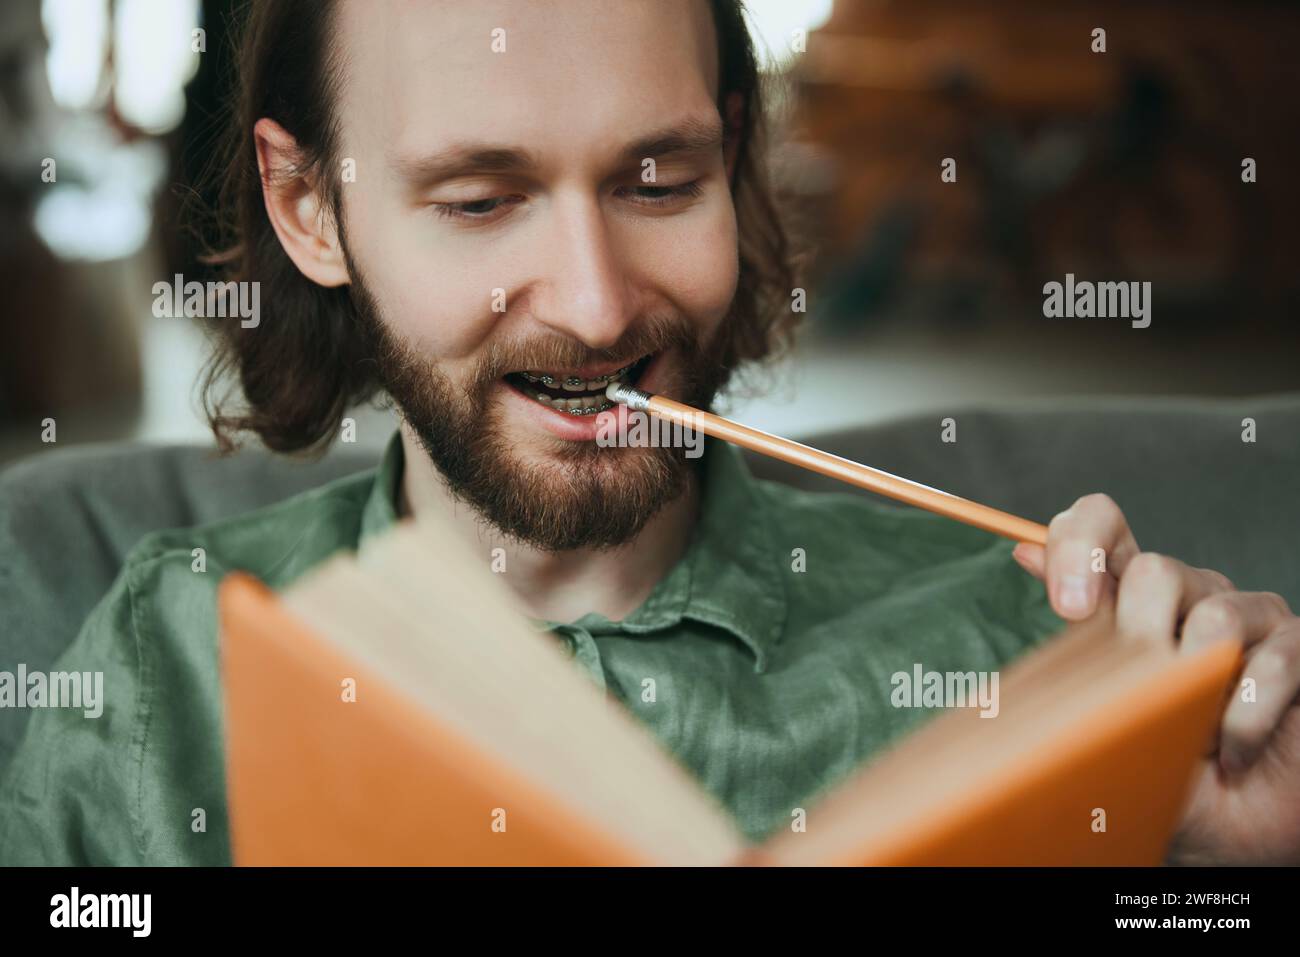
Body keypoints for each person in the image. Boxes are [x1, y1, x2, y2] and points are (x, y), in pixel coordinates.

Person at [2, 0, 1296, 866]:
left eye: (659, 181)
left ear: (732, 161)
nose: (601, 300)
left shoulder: (1016, 662)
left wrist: (1225, 871)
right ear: (309, 209)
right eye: (480, 198)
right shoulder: (164, 661)